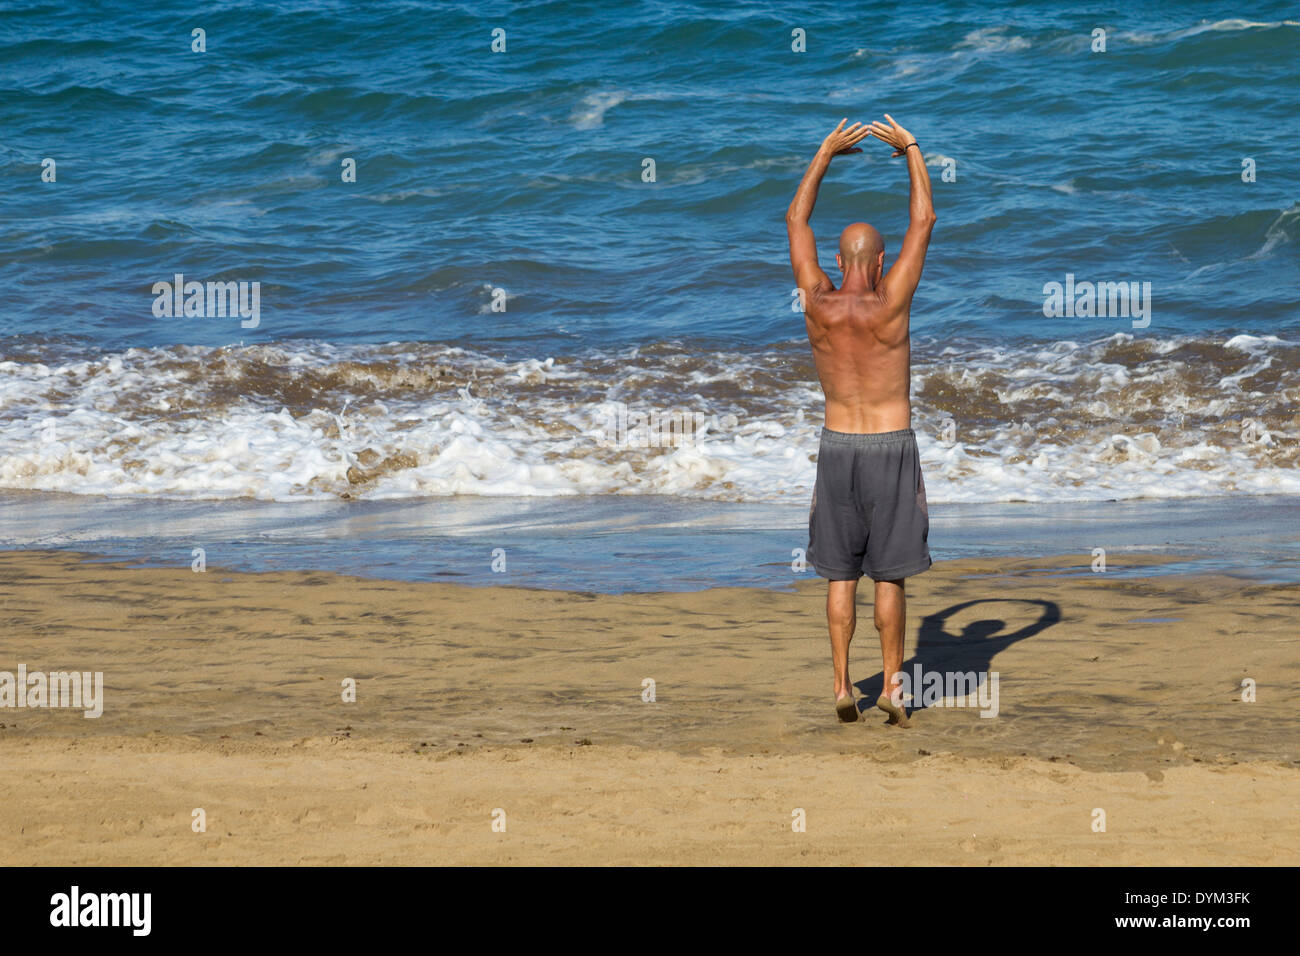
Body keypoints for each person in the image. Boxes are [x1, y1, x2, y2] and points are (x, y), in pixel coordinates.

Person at [786, 114, 937, 726]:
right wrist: (912, 150)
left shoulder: (816, 301)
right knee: (892, 575)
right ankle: (894, 688)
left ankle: (843, 684)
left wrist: (824, 151)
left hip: (837, 446)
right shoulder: (889, 301)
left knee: (840, 574)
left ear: (841, 259)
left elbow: (796, 220)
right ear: (878, 264)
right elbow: (924, 221)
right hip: (889, 448)